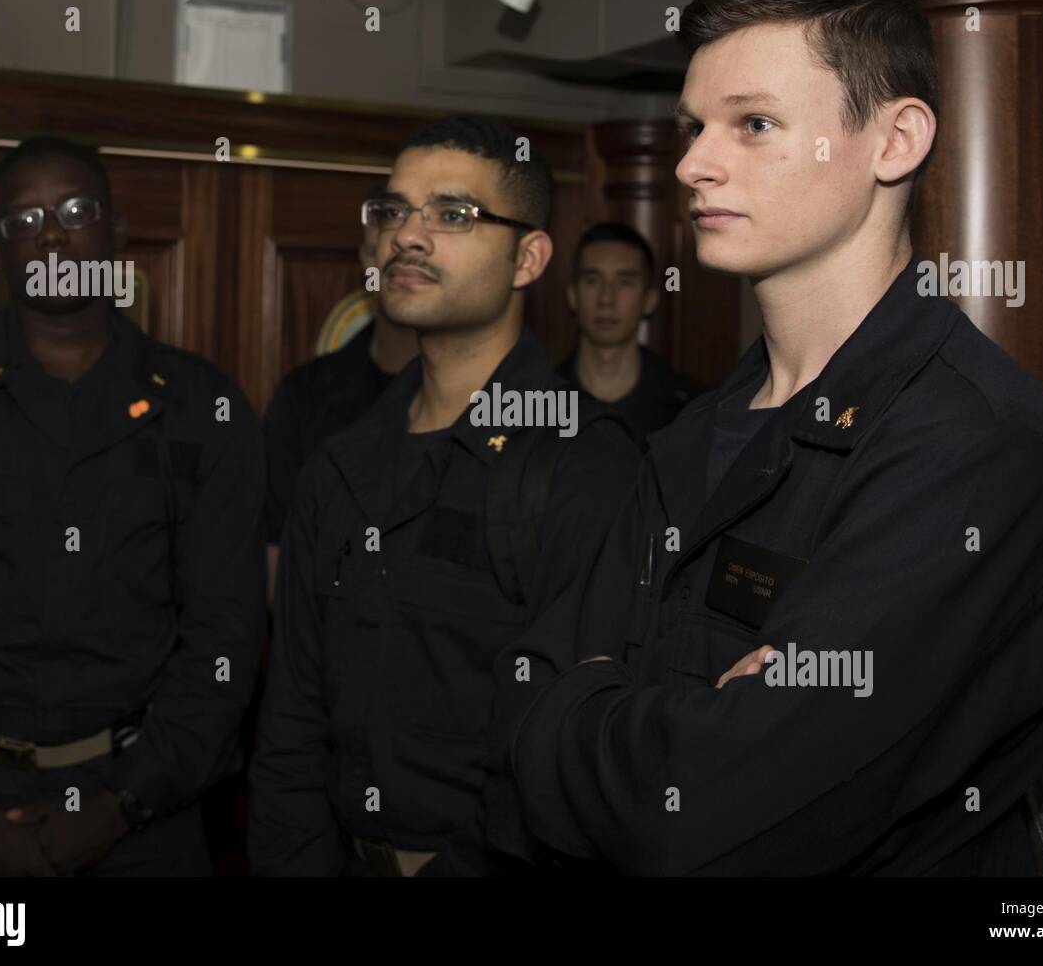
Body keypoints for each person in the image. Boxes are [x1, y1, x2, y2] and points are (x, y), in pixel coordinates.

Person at [488, 0, 1043, 876]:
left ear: (894, 141)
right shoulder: (699, 430)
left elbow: (703, 812)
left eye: (756, 124)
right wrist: (654, 714)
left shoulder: (976, 450)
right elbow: (516, 705)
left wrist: (597, 699)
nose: (694, 163)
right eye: (696, 126)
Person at [248, 115, 641, 876]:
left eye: (453, 214)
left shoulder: (586, 465)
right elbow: (290, 721)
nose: (408, 236)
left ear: (527, 257)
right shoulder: (340, 464)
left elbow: (568, 763)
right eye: (394, 211)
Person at [0, 136, 265, 876]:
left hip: (142, 810)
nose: (51, 233)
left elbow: (224, 643)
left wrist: (121, 808)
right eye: (23, 220)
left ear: (116, 233)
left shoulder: (202, 406)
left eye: (76, 210)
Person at [263, 198, 418, 587]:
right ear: (365, 260)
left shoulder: (490, 397)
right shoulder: (305, 397)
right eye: (379, 250)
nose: (395, 265)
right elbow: (277, 556)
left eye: (410, 251)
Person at [558, 222, 703, 444]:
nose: (606, 299)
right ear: (572, 295)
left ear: (649, 300)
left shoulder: (690, 409)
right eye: (592, 281)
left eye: (625, 283)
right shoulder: (541, 402)